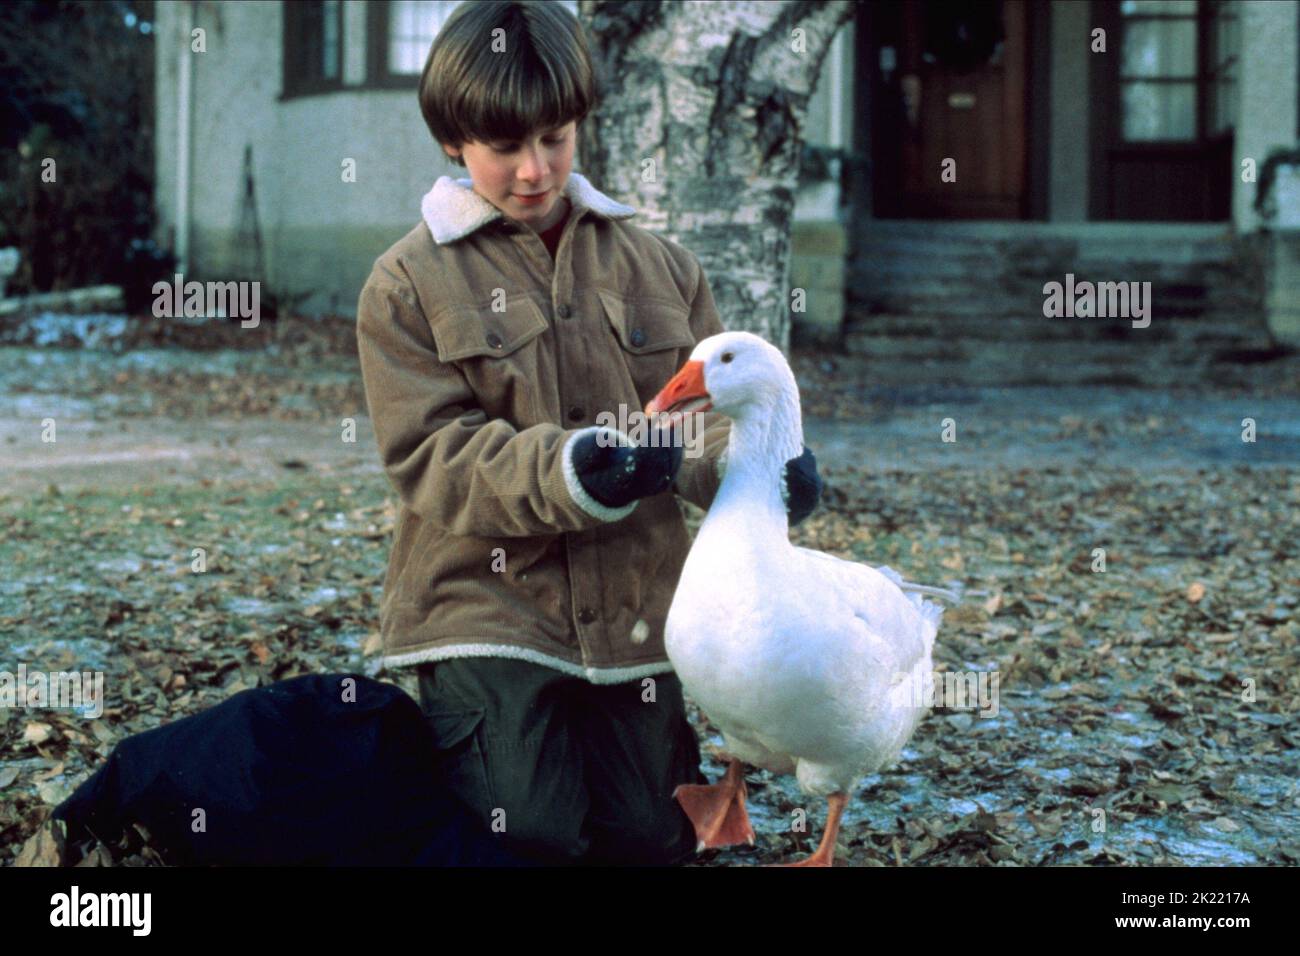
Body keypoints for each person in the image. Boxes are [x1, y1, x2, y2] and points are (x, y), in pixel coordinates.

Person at [355, 0, 820, 866]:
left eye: (556, 139)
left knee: (652, 838)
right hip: (483, 606)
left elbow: (704, 428)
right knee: (530, 832)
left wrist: (757, 472)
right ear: (455, 140)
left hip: (641, 612)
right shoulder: (404, 284)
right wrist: (575, 469)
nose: (535, 171)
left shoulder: (662, 266)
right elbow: (432, 455)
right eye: (506, 148)